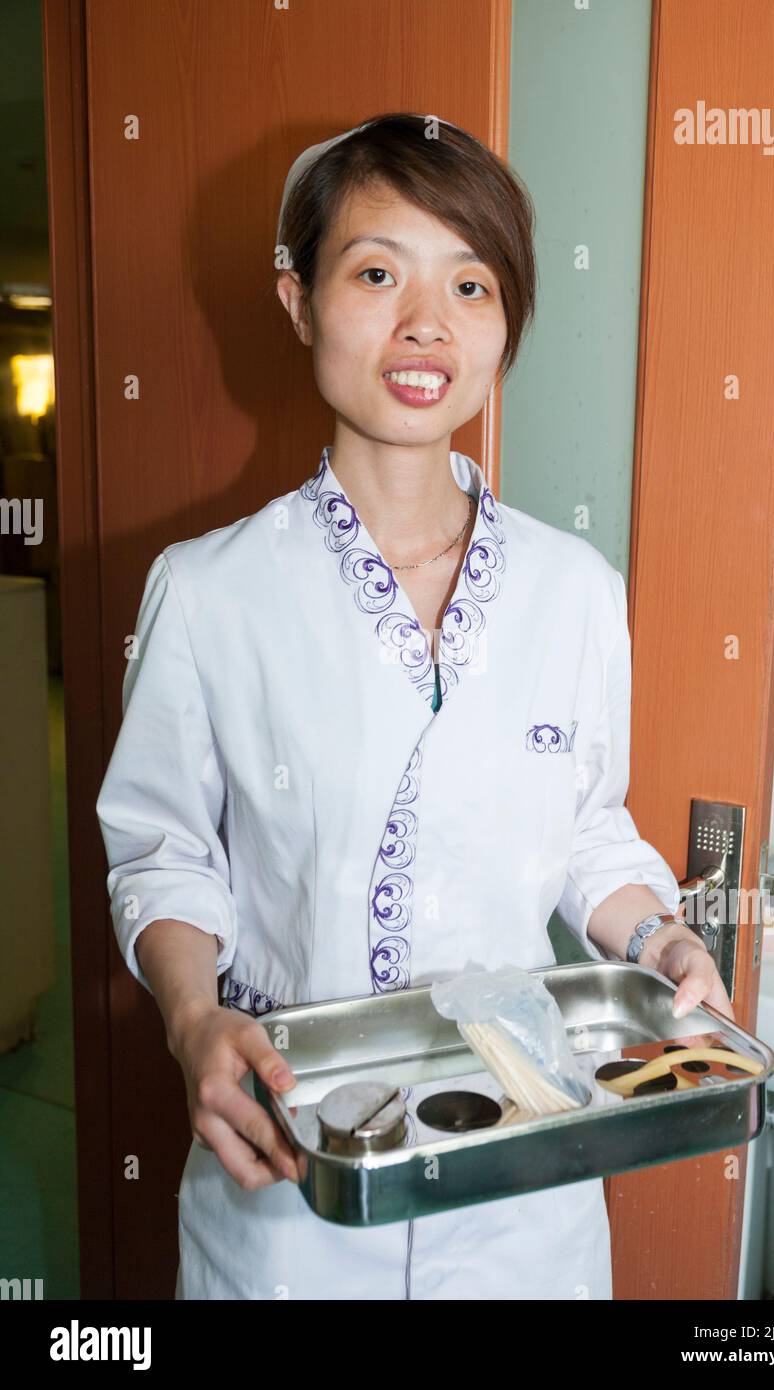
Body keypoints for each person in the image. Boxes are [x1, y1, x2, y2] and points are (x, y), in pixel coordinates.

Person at [95, 112, 734, 1301]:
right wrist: (191, 1022)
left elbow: (587, 830)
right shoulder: (208, 592)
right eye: (376, 272)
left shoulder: (575, 593)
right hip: (289, 1170)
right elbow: (162, 852)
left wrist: (663, 940)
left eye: (471, 282)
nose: (425, 324)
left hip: (522, 1177)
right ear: (296, 300)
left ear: (504, 320)